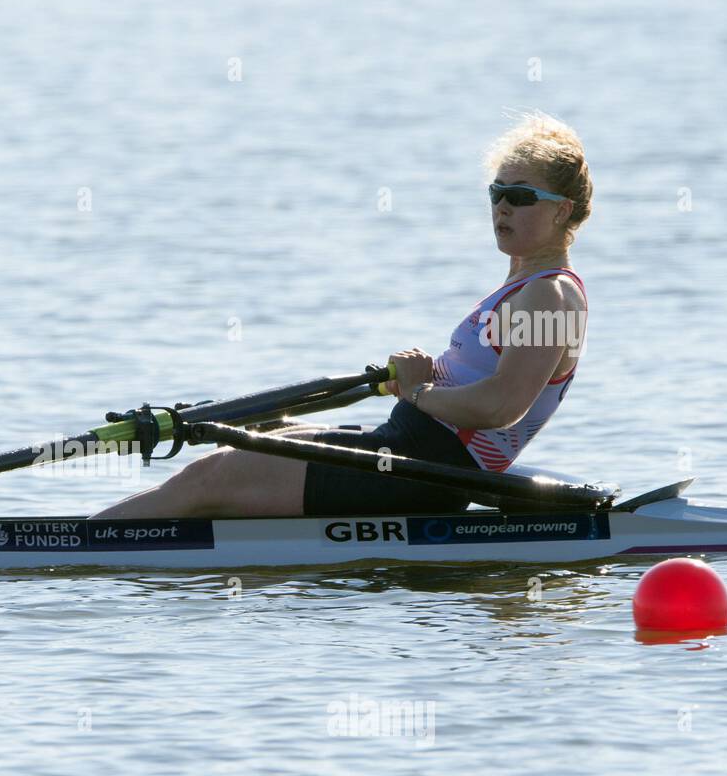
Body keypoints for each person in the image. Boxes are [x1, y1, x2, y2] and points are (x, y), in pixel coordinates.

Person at [92, 112, 593, 520]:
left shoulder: (548, 296)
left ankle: (80, 549)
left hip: (424, 473)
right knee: (240, 452)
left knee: (213, 478)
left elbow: (502, 407)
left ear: (561, 210)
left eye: (521, 197)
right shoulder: (523, 287)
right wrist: (424, 377)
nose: (502, 206)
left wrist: (419, 391)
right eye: (496, 193)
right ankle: (106, 538)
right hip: (403, 448)